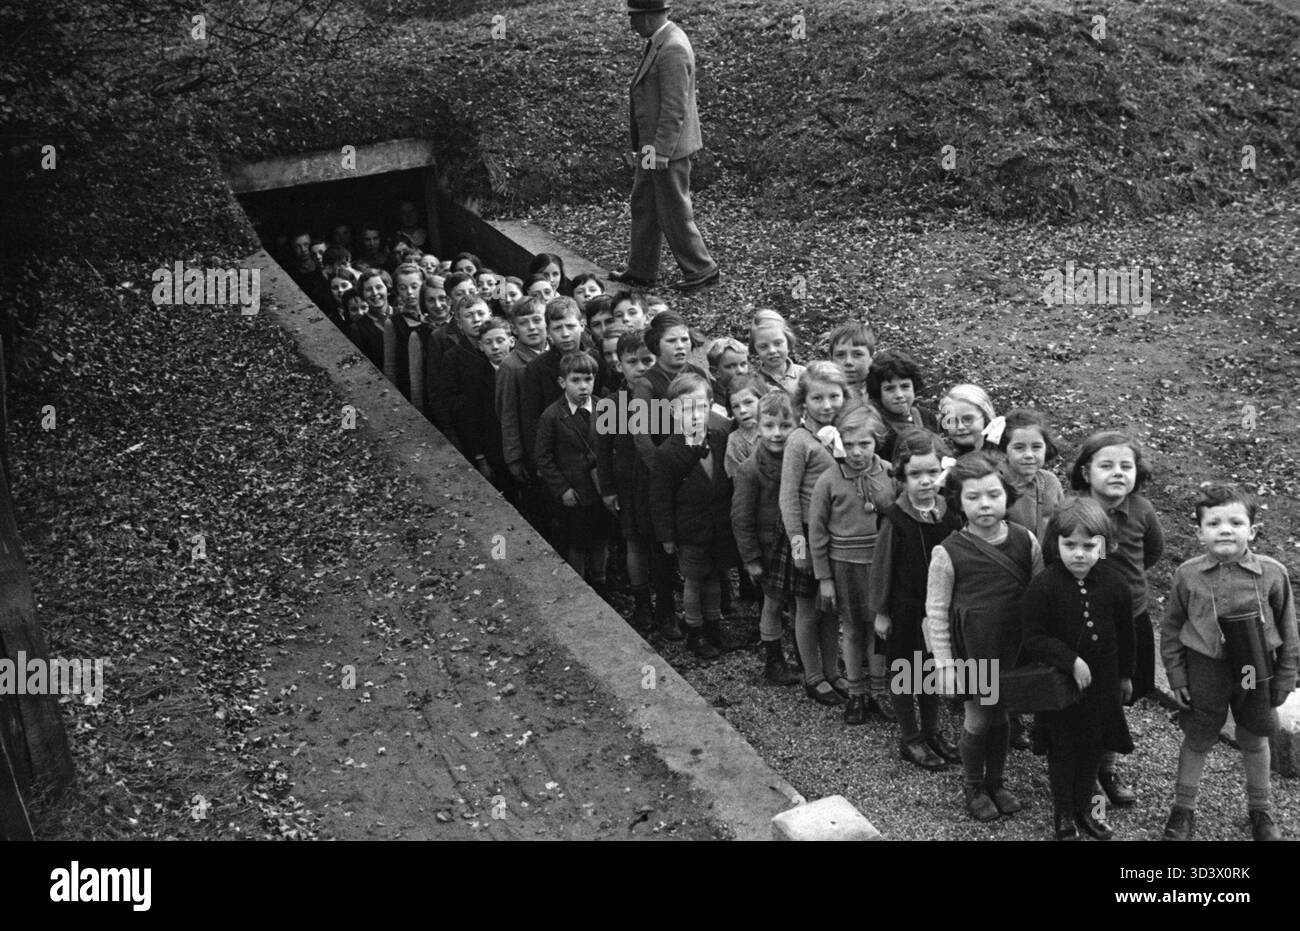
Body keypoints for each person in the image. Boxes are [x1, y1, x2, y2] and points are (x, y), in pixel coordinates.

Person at [1160, 483, 1297, 842]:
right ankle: (1183, 809)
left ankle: (1261, 810)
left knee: (1254, 735)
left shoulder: (1272, 573)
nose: (1225, 529)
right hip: (1206, 667)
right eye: (1214, 523)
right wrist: (1176, 675)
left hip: (1256, 669)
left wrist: (1285, 676)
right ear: (1200, 531)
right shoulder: (1187, 575)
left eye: (1235, 522)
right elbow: (1172, 627)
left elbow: (1288, 628)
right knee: (1199, 735)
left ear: (1251, 530)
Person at [925, 451, 1043, 821]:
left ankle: (997, 781)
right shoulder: (948, 552)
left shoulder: (1026, 541)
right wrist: (943, 665)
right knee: (978, 718)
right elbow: (937, 614)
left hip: (1014, 649)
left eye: (993, 494)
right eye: (973, 497)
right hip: (975, 651)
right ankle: (973, 784)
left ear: (1006, 496)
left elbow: (1042, 597)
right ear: (959, 502)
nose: (985, 504)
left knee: (1003, 716)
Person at [1021, 497, 1134, 840]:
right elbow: (1033, 636)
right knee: (1063, 752)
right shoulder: (1045, 585)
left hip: (1102, 687)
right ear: (1056, 543)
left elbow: (1126, 634)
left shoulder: (1114, 582)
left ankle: (1089, 811)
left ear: (1104, 545)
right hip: (1062, 689)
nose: (1080, 554)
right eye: (1070, 545)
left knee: (1094, 750)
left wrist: (1126, 675)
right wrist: (1070, 659)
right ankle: (1063, 814)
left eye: (1089, 545)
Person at [1070, 429, 1164, 805]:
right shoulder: (1072, 510)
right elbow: (1053, 555)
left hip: (1131, 618)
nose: (1117, 473)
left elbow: (1153, 552)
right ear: (1085, 471)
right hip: (1085, 620)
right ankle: (1084, 770)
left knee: (1122, 692)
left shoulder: (1142, 510)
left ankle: (1105, 765)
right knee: (1089, 695)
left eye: (1126, 466)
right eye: (1106, 465)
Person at [610, 0, 719, 293]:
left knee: (673, 209)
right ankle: (641, 270)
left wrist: (660, 152)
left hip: (665, 150)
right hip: (652, 147)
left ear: (647, 17)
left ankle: (702, 269)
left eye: (633, 18)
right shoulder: (660, 41)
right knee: (643, 203)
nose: (631, 24)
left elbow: (675, 108)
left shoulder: (672, 48)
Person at [871, 429, 962, 770]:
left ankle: (932, 731)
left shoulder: (949, 513)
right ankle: (910, 738)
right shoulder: (896, 518)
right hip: (905, 608)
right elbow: (882, 567)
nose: (925, 481)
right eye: (915, 474)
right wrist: (881, 611)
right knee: (904, 672)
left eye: (932, 473)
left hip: (937, 610)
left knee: (930, 670)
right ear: (902, 476)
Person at [809, 403, 896, 723]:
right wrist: (824, 578)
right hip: (844, 566)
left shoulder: (889, 473)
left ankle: (878, 691)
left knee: (879, 629)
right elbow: (816, 531)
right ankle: (856, 693)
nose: (858, 452)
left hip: (879, 566)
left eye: (866, 444)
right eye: (851, 444)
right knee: (852, 630)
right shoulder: (829, 479)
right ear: (839, 442)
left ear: (877, 442)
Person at [777, 361, 849, 705]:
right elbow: (788, 496)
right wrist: (798, 544)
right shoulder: (799, 441)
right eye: (817, 398)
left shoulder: (844, 436)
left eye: (834, 396)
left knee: (831, 607)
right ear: (803, 402)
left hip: (836, 533)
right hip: (806, 532)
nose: (827, 405)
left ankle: (833, 671)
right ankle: (813, 675)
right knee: (807, 609)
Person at [651, 372, 736, 659]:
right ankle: (694, 630)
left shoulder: (721, 439)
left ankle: (714, 625)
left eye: (700, 406)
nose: (695, 414)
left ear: (710, 405)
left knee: (715, 576)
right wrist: (667, 537)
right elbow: (660, 500)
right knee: (694, 580)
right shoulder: (667, 453)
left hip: (718, 526)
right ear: (673, 411)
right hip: (690, 529)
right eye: (686, 408)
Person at [732, 390, 801, 685]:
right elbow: (741, 517)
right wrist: (751, 558)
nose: (776, 434)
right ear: (758, 427)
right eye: (769, 426)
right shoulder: (750, 469)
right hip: (768, 548)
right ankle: (774, 660)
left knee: (801, 604)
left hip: (795, 545)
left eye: (785, 426)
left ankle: (804, 656)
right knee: (772, 604)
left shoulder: (800, 459)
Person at [596, 327, 658, 630]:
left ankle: (667, 606)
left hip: (658, 483)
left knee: (662, 543)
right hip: (628, 484)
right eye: (632, 361)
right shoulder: (613, 403)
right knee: (635, 543)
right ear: (619, 364)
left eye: (647, 360)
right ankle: (642, 603)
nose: (641, 367)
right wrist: (607, 490)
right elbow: (603, 451)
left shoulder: (662, 398)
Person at [535, 352, 610, 593]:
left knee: (602, 537)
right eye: (575, 380)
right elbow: (543, 458)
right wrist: (562, 489)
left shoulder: (605, 408)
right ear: (562, 382)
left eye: (588, 379)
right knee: (577, 542)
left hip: (602, 489)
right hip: (575, 492)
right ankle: (580, 586)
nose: (583, 386)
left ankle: (601, 581)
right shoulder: (552, 416)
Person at [998, 408, 1065, 541]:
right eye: (1019, 448)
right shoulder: (997, 483)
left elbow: (1064, 524)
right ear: (1005, 450)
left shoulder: (1050, 481)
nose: (1029, 455)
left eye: (1036, 447)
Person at [866, 348, 941, 464]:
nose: (899, 395)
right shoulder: (875, 425)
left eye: (905, 386)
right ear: (878, 392)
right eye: (889, 389)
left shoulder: (926, 416)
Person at [751, 310, 804, 395]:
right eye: (763, 346)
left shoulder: (805, 375)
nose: (772, 350)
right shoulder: (753, 384)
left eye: (778, 343)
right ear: (755, 348)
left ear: (788, 341)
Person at [827, 322, 875, 404]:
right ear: (831, 360)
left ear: (871, 359)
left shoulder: (882, 396)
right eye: (840, 355)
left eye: (857, 354)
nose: (848, 362)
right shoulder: (820, 397)